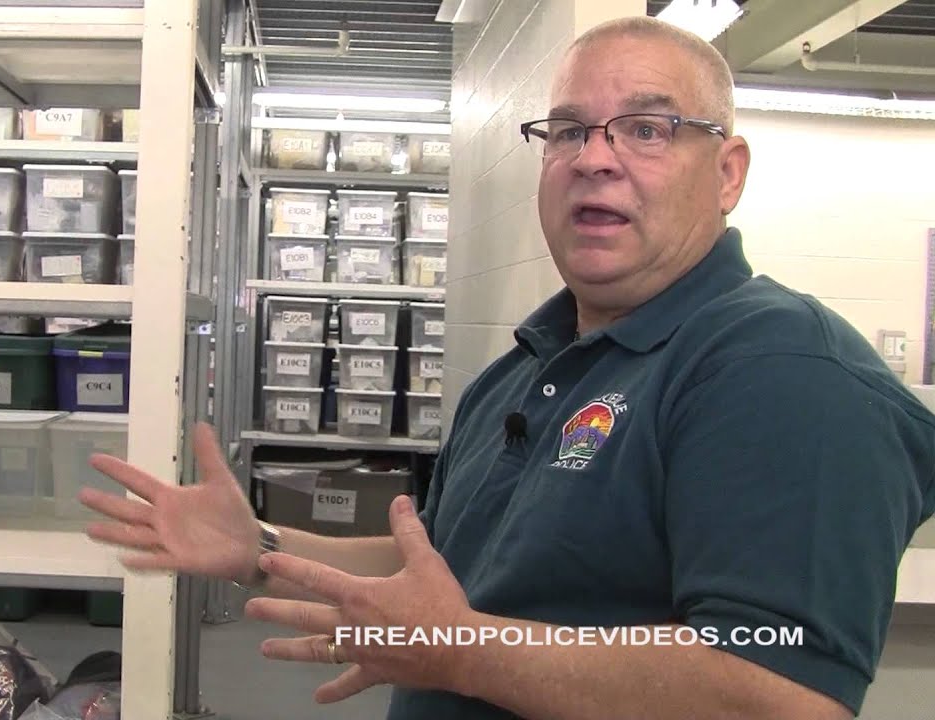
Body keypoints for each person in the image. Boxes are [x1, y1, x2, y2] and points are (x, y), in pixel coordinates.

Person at [79, 15, 935, 720]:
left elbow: (780, 690)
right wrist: (263, 547)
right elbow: (449, 580)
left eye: (647, 127)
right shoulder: (528, 370)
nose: (594, 157)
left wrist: (463, 655)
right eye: (567, 130)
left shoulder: (781, 372)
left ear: (727, 172)